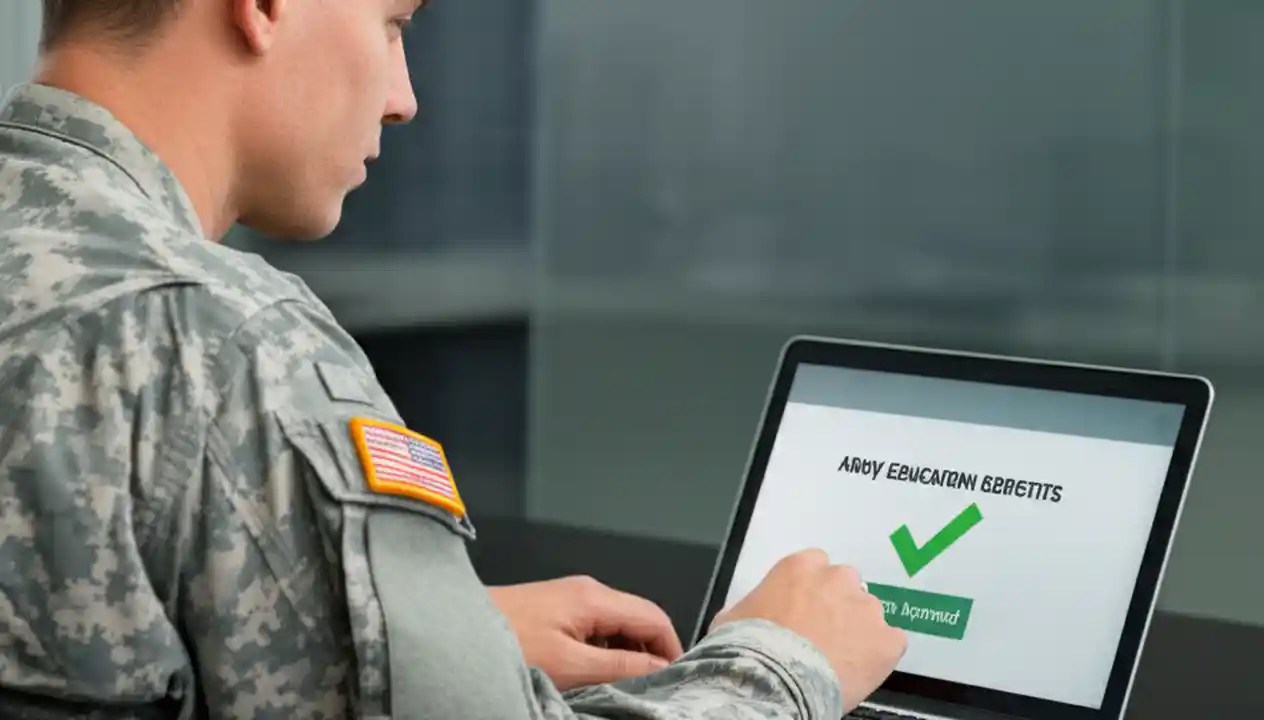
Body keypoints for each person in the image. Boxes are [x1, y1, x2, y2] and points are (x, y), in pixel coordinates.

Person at [0, 0, 907, 717]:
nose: (404, 95)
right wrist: (784, 663)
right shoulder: (229, 346)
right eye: (393, 24)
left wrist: (419, 640)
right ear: (265, 5)